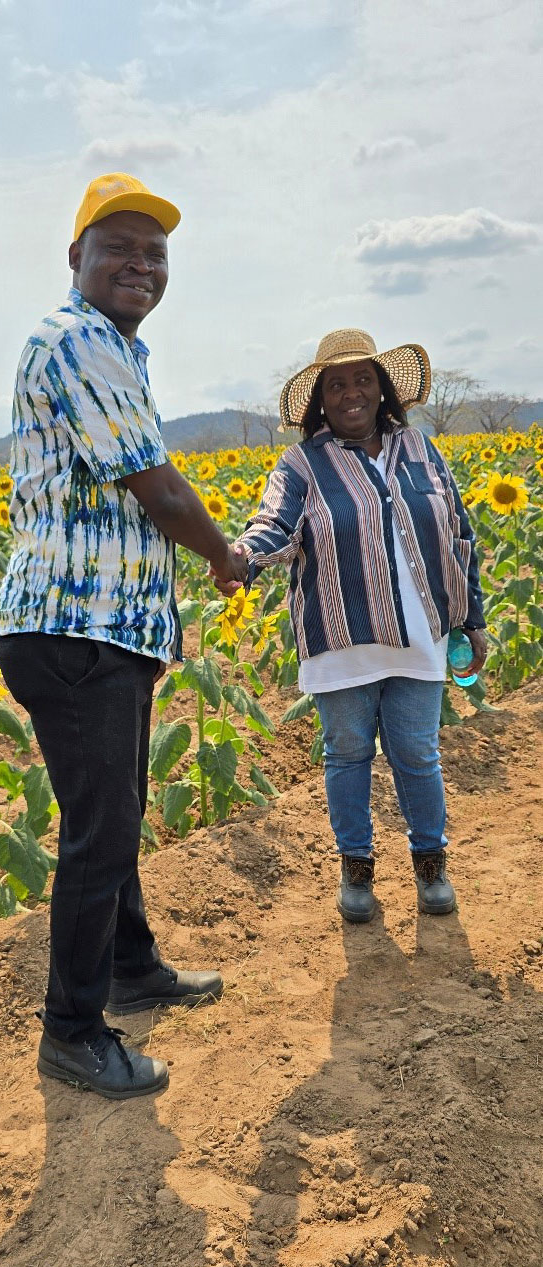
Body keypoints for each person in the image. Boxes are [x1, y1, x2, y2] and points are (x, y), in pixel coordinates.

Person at [0, 174, 247, 1100]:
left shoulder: (119, 350)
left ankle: (131, 966)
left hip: (111, 628)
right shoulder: (78, 340)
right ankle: (70, 1030)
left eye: (155, 252)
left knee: (119, 812)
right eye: (119, 248)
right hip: (72, 625)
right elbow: (158, 486)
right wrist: (223, 553)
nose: (141, 264)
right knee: (100, 832)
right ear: (76, 260)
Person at [215, 330, 487, 924]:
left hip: (421, 634)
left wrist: (474, 619)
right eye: (336, 384)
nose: (351, 393)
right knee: (347, 753)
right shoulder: (302, 463)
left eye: (362, 379)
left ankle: (431, 864)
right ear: (320, 399)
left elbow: (460, 533)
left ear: (382, 387)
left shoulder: (419, 448)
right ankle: (356, 869)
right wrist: (241, 557)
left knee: (417, 751)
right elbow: (274, 524)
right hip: (341, 637)